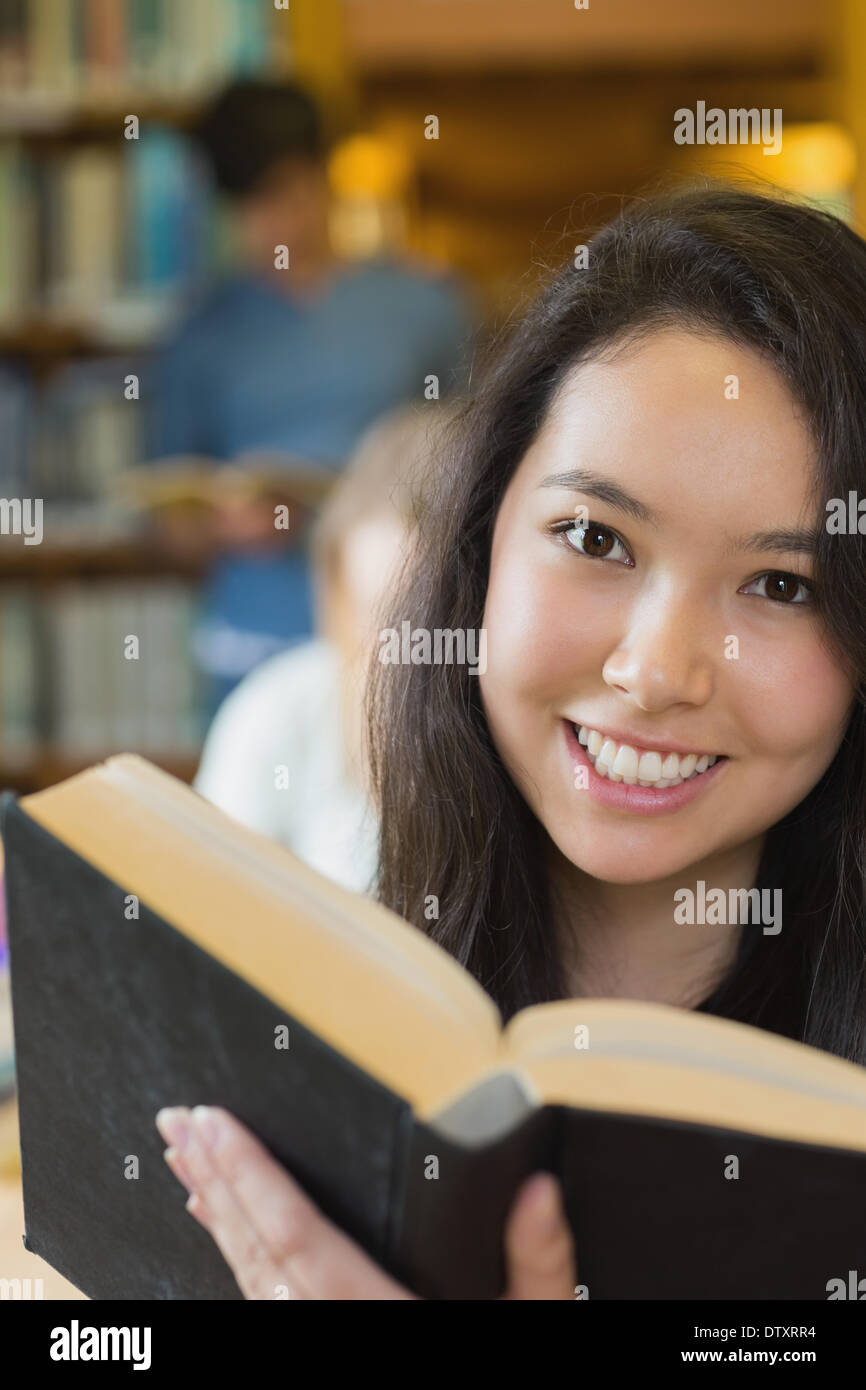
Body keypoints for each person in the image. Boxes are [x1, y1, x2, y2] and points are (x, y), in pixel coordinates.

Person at [155, 183, 866, 1298]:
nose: (652, 671)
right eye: (594, 536)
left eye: (780, 583)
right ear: (480, 548)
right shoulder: (299, 1059)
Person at [147, 78, 477, 709]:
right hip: (255, 632)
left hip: (400, 617)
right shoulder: (202, 333)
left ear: (327, 176)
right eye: (254, 204)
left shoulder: (428, 306)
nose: (278, 221)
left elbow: (482, 467)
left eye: (291, 191)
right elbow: (168, 523)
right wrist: (221, 525)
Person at [192, 402, 453, 893]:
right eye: (377, 618)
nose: (398, 655)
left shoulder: (516, 724)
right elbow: (210, 904)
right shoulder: (280, 707)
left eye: (430, 624)